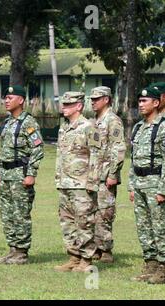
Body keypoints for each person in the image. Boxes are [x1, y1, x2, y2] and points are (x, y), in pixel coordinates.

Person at [0, 85, 44, 265]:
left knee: (21, 213)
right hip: (7, 174)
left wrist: (31, 174)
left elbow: (37, 149)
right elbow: (3, 149)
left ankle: (22, 252)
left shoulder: (28, 123)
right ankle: (12, 249)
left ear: (21, 100)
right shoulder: (8, 122)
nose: (6, 101)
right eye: (5, 98)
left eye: (10, 97)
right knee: (7, 213)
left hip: (20, 175)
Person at [54, 91, 100, 272]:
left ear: (79, 106)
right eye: (63, 104)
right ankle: (73, 257)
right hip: (65, 182)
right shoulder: (64, 128)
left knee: (84, 221)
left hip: (82, 184)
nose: (64, 108)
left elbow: (97, 156)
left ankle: (86, 260)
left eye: (68, 105)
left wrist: (92, 182)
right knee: (67, 222)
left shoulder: (89, 127)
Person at [129, 86, 165, 284]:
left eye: (145, 101)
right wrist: (131, 185)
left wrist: (164, 189)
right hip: (140, 183)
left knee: (161, 226)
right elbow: (133, 158)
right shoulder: (138, 127)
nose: (141, 104)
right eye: (140, 101)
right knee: (144, 227)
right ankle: (151, 263)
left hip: (156, 184)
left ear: (156, 102)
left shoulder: (164, 126)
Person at [90, 86, 126, 263]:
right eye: (92, 99)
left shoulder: (113, 120)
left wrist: (113, 173)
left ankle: (106, 250)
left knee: (105, 212)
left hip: (106, 176)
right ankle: (95, 247)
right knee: (92, 212)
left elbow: (118, 148)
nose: (93, 102)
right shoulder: (94, 121)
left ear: (107, 100)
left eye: (97, 99)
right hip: (93, 175)